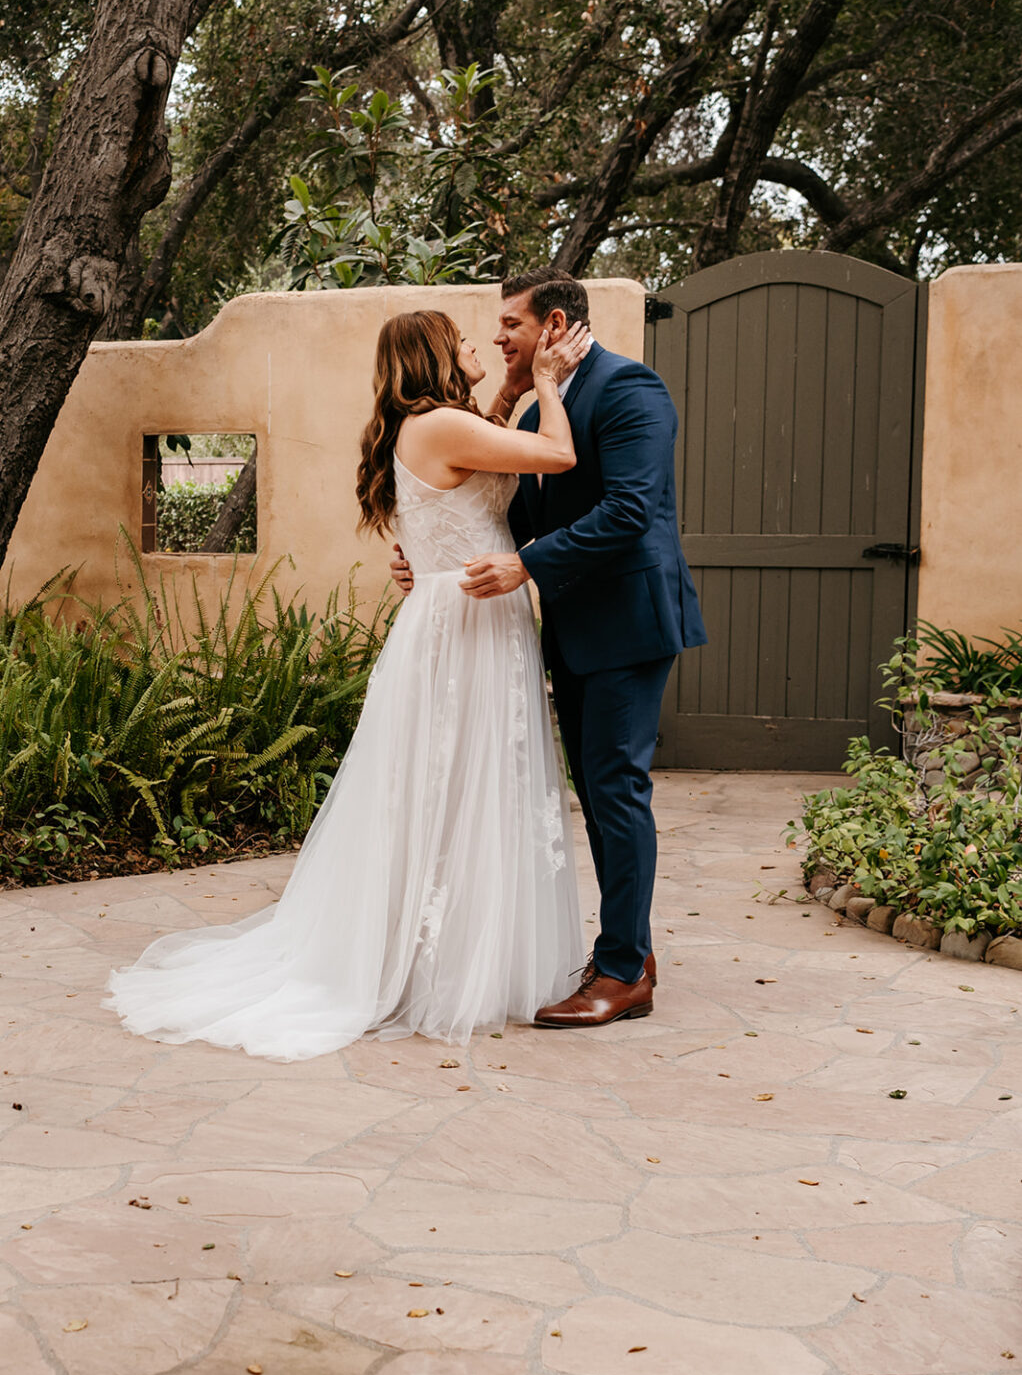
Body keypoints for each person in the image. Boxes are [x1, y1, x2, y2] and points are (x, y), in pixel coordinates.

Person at [104, 309, 592, 1060]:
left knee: (457, 788)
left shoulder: (434, 426)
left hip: (460, 616)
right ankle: (431, 961)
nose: (477, 346)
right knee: (451, 787)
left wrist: (507, 396)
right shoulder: (438, 426)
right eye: (464, 340)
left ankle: (452, 945)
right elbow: (555, 454)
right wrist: (549, 384)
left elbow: (478, 481)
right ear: (436, 357)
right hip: (465, 627)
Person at [392, 268, 707, 1026]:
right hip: (571, 625)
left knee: (617, 791)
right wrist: (433, 555)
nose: (497, 337)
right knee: (597, 796)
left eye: (509, 324)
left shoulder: (631, 390)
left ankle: (624, 972)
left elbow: (630, 511)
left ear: (554, 324)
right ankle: (630, 947)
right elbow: (516, 506)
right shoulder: (544, 401)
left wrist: (524, 565)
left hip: (628, 623)